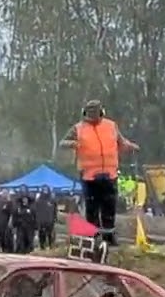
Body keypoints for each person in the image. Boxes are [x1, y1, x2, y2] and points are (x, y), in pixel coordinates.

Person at [59, 99, 139, 244]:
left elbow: (121, 142)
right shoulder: (78, 128)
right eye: (91, 114)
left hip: (110, 173)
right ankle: (94, 237)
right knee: (92, 208)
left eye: (95, 113)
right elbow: (62, 143)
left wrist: (130, 146)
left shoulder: (111, 126)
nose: (93, 117)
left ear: (101, 112)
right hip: (89, 176)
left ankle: (109, 237)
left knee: (109, 207)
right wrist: (73, 143)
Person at [12, 186, 36, 253]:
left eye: (26, 199)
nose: (24, 200)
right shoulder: (19, 208)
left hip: (29, 227)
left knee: (29, 240)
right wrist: (15, 224)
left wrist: (35, 226)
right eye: (23, 199)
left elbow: (34, 217)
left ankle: (29, 250)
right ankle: (21, 251)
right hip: (20, 226)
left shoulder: (31, 207)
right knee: (20, 240)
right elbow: (15, 216)